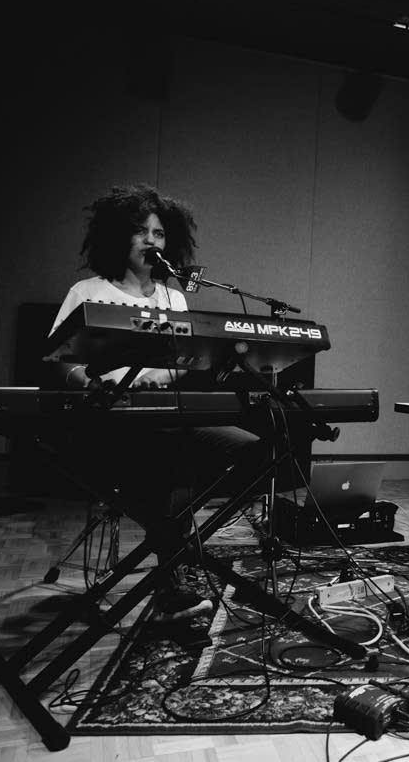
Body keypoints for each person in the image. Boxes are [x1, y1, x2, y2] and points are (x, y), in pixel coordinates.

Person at [47, 184, 270, 621]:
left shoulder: (174, 297)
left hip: (164, 411)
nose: (151, 240)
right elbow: (60, 359)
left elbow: (184, 361)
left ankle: (174, 551)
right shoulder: (87, 291)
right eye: (141, 231)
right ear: (118, 236)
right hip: (108, 418)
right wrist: (88, 382)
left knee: (250, 449)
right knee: (173, 467)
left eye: (160, 233)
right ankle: (172, 579)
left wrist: (160, 377)